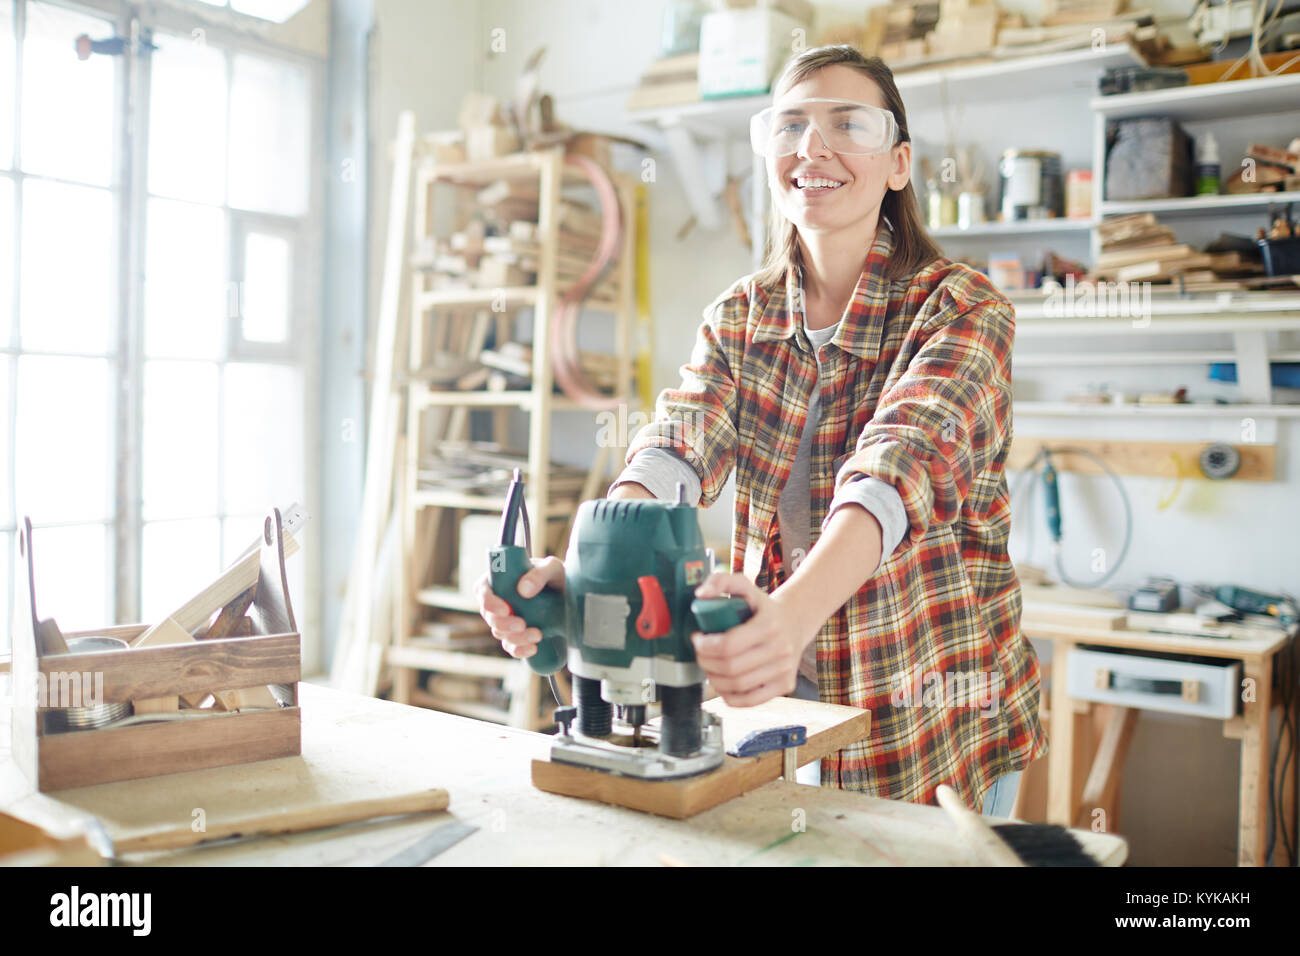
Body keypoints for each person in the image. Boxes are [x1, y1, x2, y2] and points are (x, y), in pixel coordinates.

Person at [476, 45, 1046, 816]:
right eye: (789, 127)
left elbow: (896, 467)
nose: (812, 148)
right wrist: (598, 566)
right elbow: (680, 439)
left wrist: (790, 617)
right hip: (786, 713)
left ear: (899, 162)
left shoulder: (963, 309)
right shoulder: (740, 317)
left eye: (848, 124)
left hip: (933, 723)